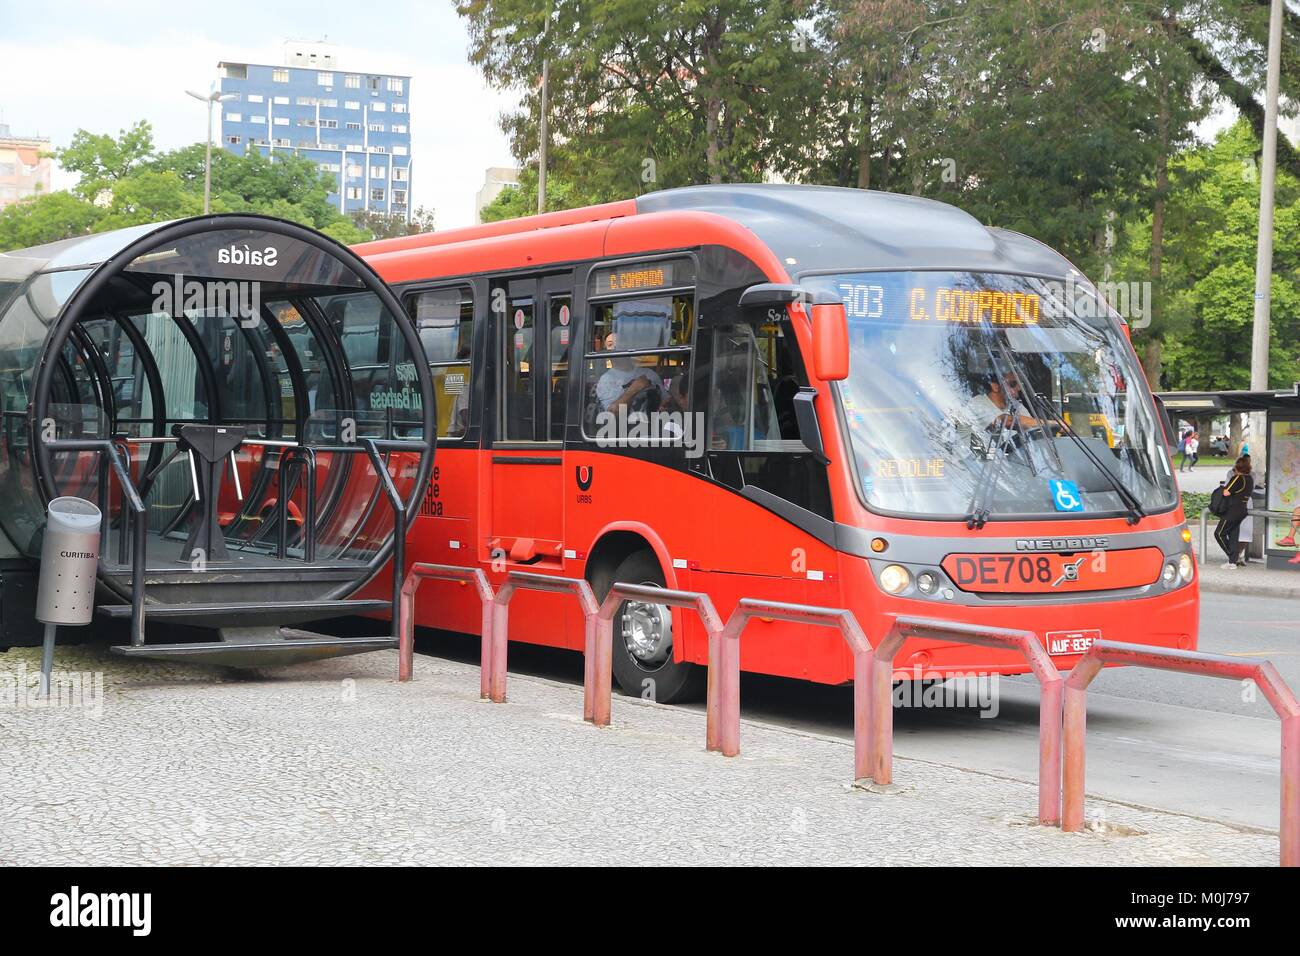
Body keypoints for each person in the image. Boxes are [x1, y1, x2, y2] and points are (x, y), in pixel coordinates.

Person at [596, 332, 662, 413]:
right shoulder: (605, 380)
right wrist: (634, 389)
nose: (616, 347)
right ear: (606, 352)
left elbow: (665, 402)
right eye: (610, 345)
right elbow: (610, 415)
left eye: (619, 343)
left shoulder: (649, 374)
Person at [1214, 458, 1254, 569]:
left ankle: (1233, 557)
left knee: (1219, 533)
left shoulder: (1237, 478)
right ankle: (1232, 562)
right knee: (1233, 536)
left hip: (1232, 511)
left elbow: (1226, 492)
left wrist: (1221, 489)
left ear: (1237, 468)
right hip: (1242, 510)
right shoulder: (1250, 479)